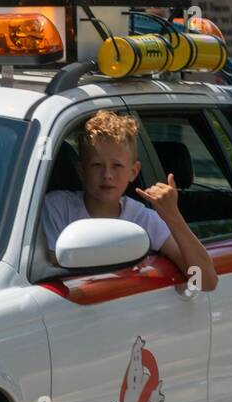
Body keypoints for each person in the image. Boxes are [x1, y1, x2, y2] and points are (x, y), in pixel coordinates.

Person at [42, 111, 218, 291]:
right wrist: (121, 260)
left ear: (134, 172)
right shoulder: (57, 207)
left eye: (117, 165)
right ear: (81, 170)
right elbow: (50, 267)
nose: (107, 175)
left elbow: (204, 281)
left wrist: (173, 216)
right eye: (97, 165)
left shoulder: (143, 219)